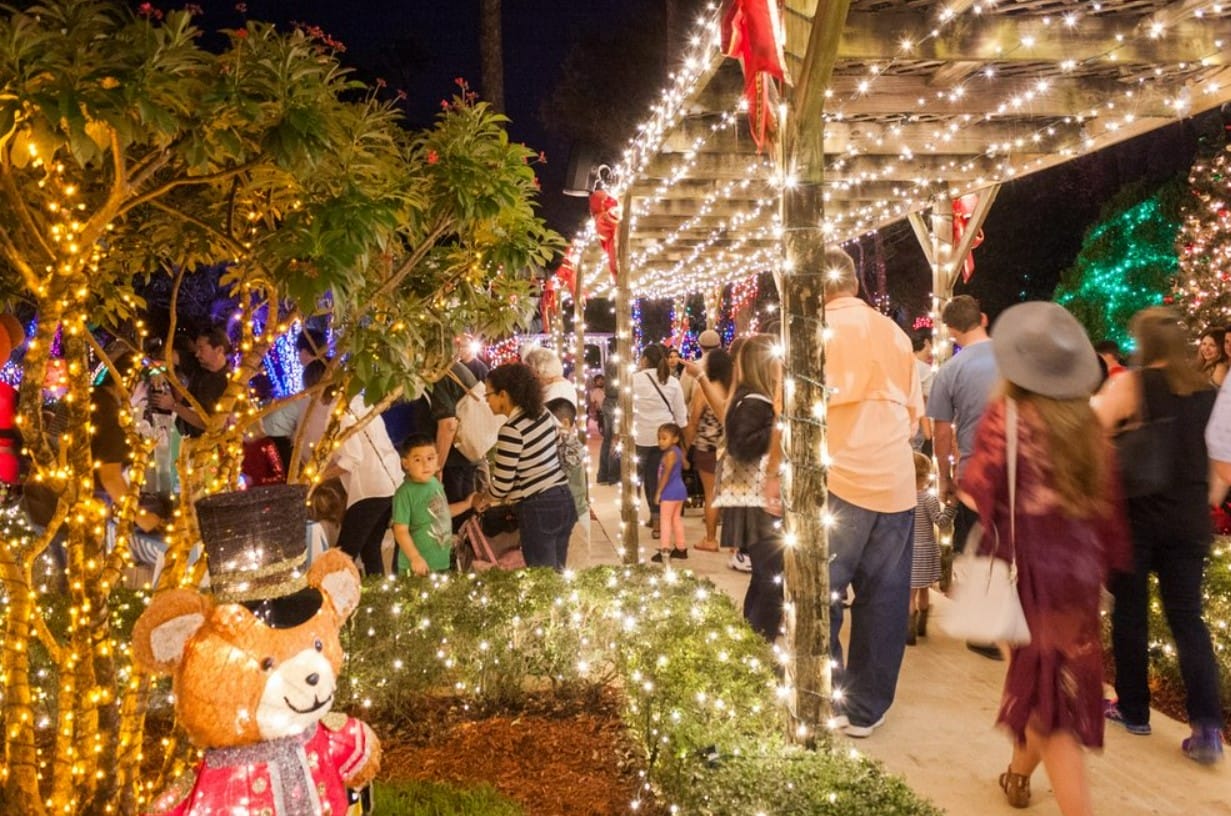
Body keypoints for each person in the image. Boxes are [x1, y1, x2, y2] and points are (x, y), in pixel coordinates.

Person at [961, 301, 1130, 814]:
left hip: (1026, 576)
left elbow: (975, 491)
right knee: (1046, 689)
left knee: (1046, 707)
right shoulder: (1088, 424)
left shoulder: (1008, 418)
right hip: (1078, 579)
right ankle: (1017, 775)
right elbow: (1106, 506)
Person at [1093, 307, 1224, 764]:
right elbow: (1220, 464)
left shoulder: (1132, 384)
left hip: (1137, 518)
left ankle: (1133, 710)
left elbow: (1094, 430)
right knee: (1188, 619)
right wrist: (1203, 502)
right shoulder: (1208, 393)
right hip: (1189, 521)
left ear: (1144, 342)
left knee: (1130, 613)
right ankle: (1207, 726)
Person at [821, 247, 922, 738]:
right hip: (896, 483)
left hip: (837, 479)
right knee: (884, 598)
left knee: (820, 593)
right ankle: (866, 707)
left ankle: (825, 691)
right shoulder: (896, 335)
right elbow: (914, 417)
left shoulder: (813, 331)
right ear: (855, 283)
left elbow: (789, 414)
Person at [927, 295, 1002, 660]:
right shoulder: (1015, 358)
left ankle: (986, 630)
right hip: (1021, 471)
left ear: (951, 330)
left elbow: (941, 433)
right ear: (983, 318)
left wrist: (944, 477)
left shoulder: (950, 371)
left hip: (977, 473)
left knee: (981, 548)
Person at [713, 334, 783, 637]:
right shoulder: (755, 403)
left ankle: (754, 639)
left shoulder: (750, 398)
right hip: (757, 498)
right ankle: (761, 642)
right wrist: (779, 425)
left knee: (765, 578)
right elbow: (742, 446)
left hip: (753, 497)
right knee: (771, 580)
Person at [476, 363, 577, 570]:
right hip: (563, 498)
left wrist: (483, 497)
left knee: (542, 578)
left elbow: (502, 485)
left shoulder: (511, 430)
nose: (487, 401)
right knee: (557, 573)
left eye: (488, 395)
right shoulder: (543, 413)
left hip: (538, 507)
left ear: (503, 394)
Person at [317, 393, 402, 577]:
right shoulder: (362, 400)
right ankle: (376, 590)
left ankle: (333, 592)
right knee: (371, 548)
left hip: (370, 488)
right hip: (391, 482)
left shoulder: (339, 411)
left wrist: (320, 477)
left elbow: (353, 458)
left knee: (344, 554)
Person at [391, 435, 475, 576]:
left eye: (430, 458)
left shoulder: (435, 484)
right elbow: (400, 531)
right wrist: (415, 557)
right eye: (418, 460)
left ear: (437, 459)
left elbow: (441, 513)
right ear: (405, 463)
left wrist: (467, 504)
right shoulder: (404, 494)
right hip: (417, 567)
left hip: (441, 562)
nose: (425, 464)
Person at [632, 343, 688, 540]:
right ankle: (657, 523)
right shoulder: (672, 382)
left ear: (645, 359)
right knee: (657, 480)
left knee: (635, 480)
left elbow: (624, 409)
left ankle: (630, 519)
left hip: (639, 436)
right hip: (664, 439)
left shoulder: (633, 380)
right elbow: (681, 416)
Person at [683, 348, 731, 551]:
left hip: (707, 448)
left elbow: (694, 421)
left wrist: (685, 448)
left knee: (710, 494)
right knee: (731, 495)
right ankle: (735, 544)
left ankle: (711, 539)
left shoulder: (705, 389)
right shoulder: (732, 389)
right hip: (730, 449)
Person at [153, 326, 231, 438]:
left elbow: (210, 424)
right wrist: (158, 370)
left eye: (201, 349)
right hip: (180, 432)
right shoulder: (199, 363)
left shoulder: (228, 384)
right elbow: (166, 355)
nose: (197, 354)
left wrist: (173, 405)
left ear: (219, 350)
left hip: (202, 442)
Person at [908, 451, 953, 646]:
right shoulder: (929, 499)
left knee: (910, 593)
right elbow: (941, 522)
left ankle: (908, 632)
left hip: (909, 550)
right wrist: (951, 508)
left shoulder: (903, 498)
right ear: (927, 476)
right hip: (925, 550)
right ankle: (922, 626)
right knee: (924, 589)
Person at [650, 422, 688, 563]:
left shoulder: (670, 454)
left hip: (669, 492)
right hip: (680, 490)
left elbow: (665, 475)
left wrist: (658, 492)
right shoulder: (677, 451)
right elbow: (686, 465)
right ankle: (681, 548)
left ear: (675, 439)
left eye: (664, 438)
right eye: (659, 438)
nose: (660, 441)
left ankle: (664, 549)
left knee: (665, 520)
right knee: (676, 519)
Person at [910, 330, 935, 455]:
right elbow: (928, 400)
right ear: (926, 342)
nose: (931, 351)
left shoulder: (903, 364)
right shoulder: (924, 369)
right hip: (918, 427)